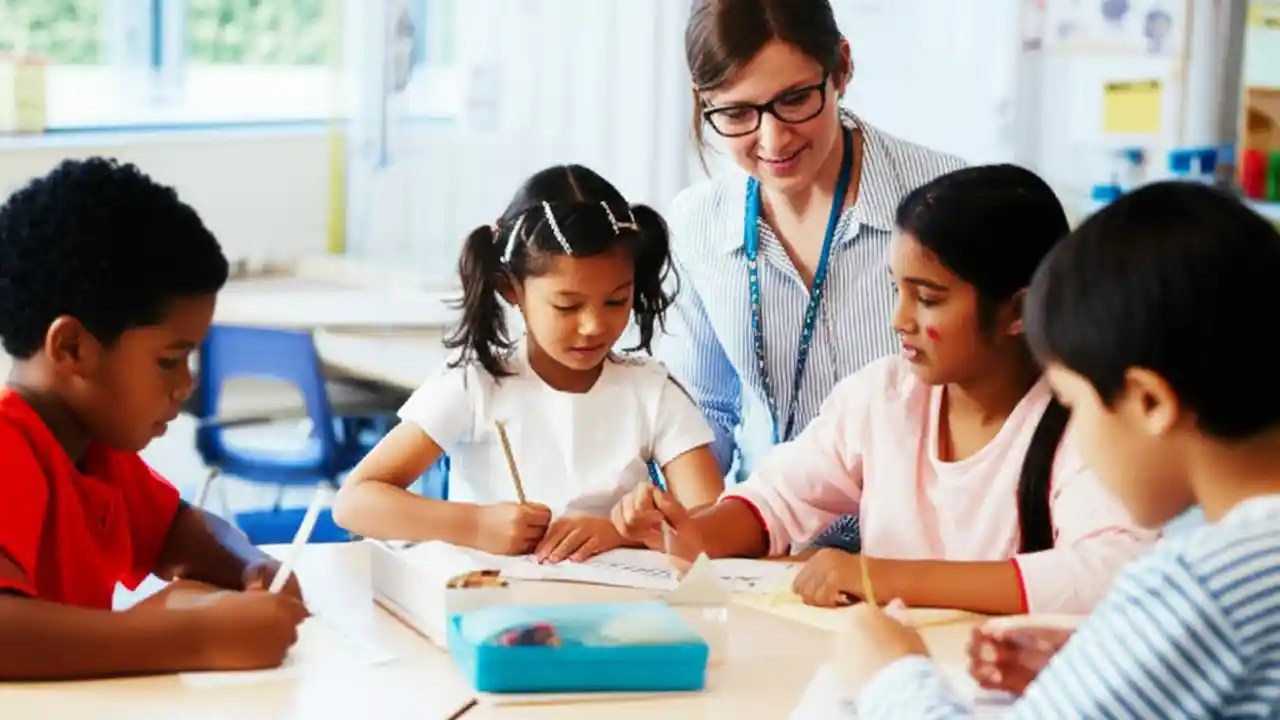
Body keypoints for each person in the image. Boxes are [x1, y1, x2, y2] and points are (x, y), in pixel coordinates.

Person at [613, 165, 1153, 616]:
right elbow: (776, 499)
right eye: (897, 290)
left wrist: (880, 577)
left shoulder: (1082, 423)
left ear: (1019, 310)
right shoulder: (884, 397)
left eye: (929, 299)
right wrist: (690, 534)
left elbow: (1106, 573)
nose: (899, 320)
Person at [838, 183, 1280, 719]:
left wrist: (890, 671)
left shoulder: (1203, 586)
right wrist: (1102, 662)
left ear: (1149, 402)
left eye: (1072, 402)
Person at [663, 0, 966, 551]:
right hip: (764, 542)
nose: (773, 140)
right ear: (702, 100)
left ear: (842, 68)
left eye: (795, 100)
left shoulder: (947, 200)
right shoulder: (698, 222)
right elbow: (701, 414)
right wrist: (694, 529)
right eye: (737, 113)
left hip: (918, 550)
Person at [0, 158, 309, 680]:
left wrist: (250, 565)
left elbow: (175, 530)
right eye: (169, 360)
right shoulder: (8, 447)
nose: (187, 385)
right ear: (72, 348)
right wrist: (199, 639)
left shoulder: (94, 451)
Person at [333, 165, 723, 563]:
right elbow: (354, 502)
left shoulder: (652, 392)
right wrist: (475, 525)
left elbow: (715, 524)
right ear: (510, 288)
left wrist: (623, 535)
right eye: (567, 306)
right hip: (492, 596)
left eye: (616, 301)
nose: (593, 325)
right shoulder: (477, 382)